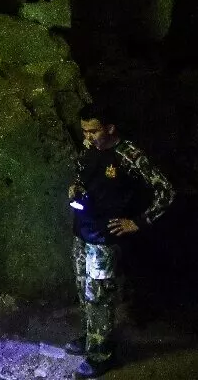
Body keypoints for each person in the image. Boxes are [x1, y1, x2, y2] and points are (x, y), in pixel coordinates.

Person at [65, 102, 174, 379]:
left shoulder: (129, 154)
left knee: (99, 296)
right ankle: (92, 337)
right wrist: (76, 187)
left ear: (110, 128)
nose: (87, 137)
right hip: (82, 231)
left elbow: (165, 191)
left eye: (92, 131)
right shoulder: (90, 149)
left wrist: (139, 222)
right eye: (84, 132)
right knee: (83, 289)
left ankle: (102, 354)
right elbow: (82, 173)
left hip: (105, 238)